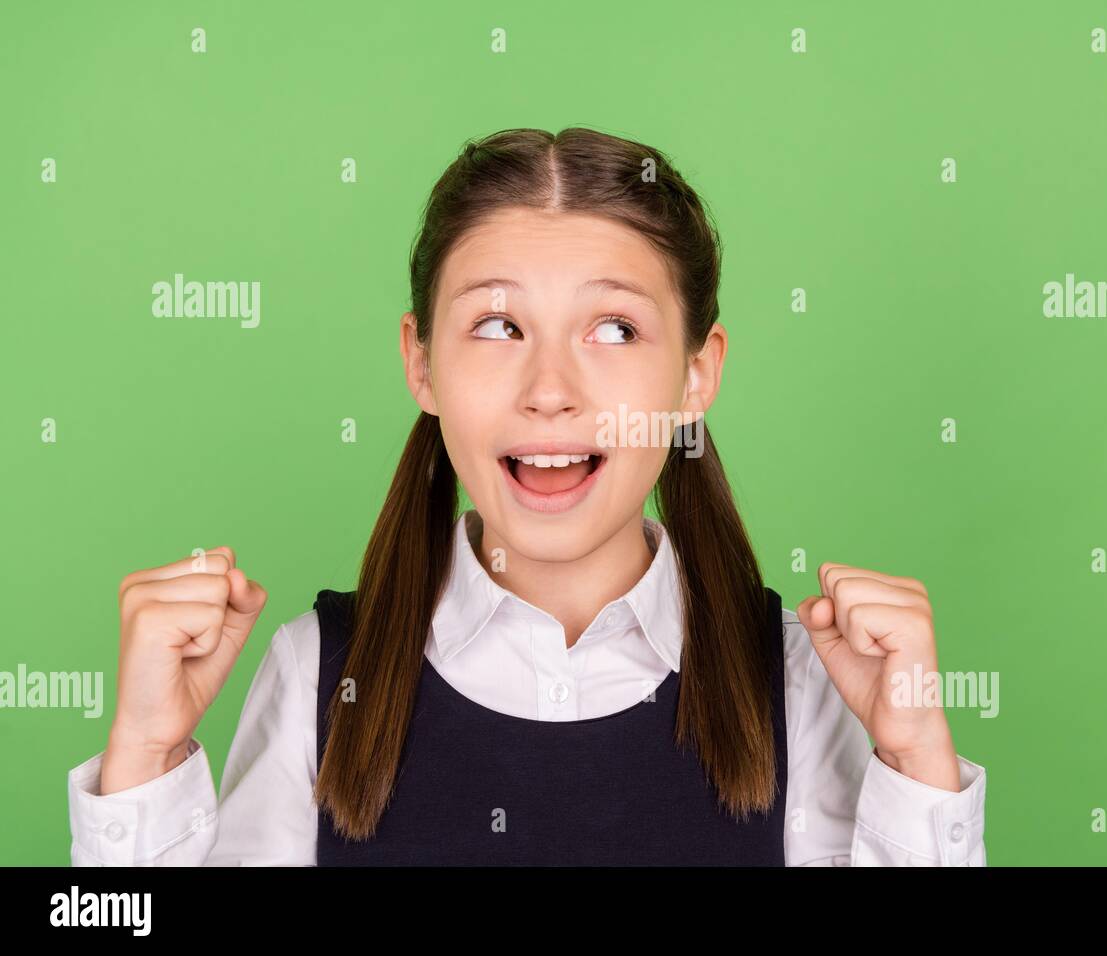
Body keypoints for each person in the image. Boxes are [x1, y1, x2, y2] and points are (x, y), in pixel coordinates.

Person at [68, 127, 987, 866]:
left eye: (616, 328)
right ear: (420, 363)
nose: (551, 387)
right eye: (499, 325)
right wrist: (144, 759)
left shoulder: (798, 683)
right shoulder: (317, 674)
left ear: (697, 376)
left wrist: (915, 768)